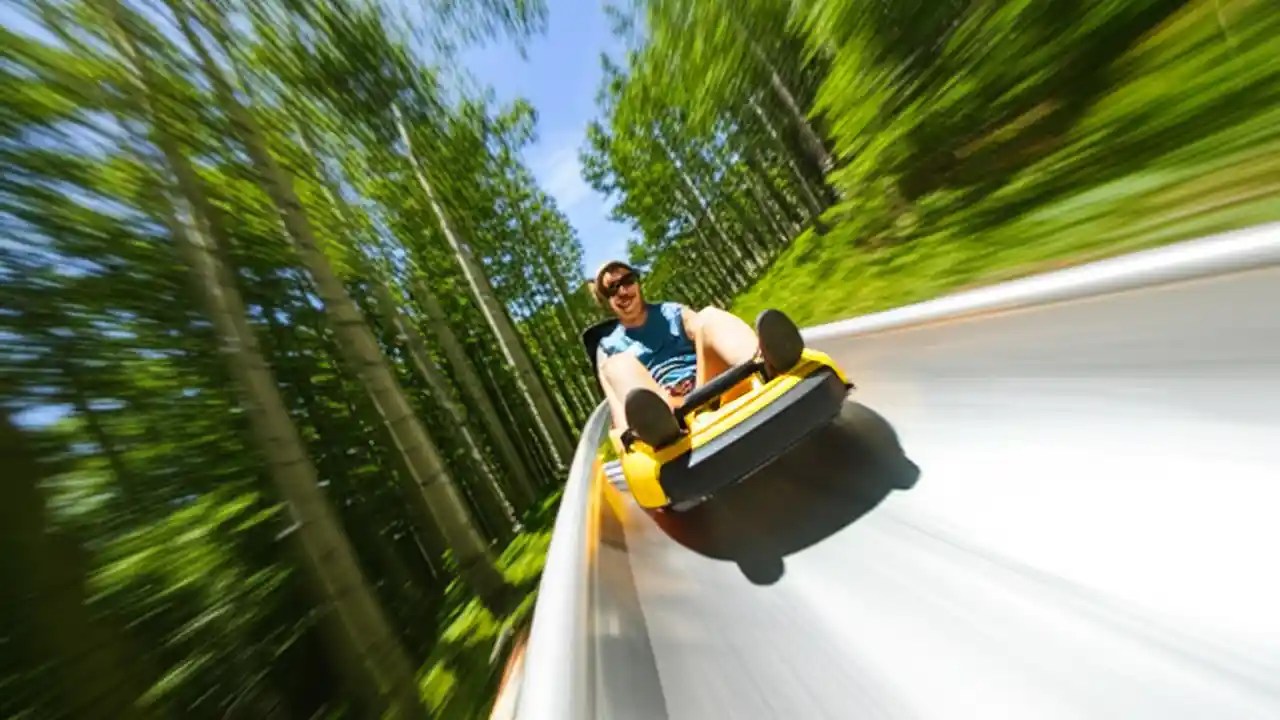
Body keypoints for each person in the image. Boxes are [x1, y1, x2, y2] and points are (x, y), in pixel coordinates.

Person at [591, 260, 805, 447]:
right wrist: (627, 438)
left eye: (628, 280)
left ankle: (769, 363)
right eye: (612, 288)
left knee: (708, 316)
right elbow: (618, 410)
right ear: (606, 301)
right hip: (671, 415)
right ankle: (659, 430)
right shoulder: (609, 347)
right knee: (615, 365)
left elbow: (703, 329)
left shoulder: (671, 313)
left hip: (709, 386)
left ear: (637, 283)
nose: (622, 291)